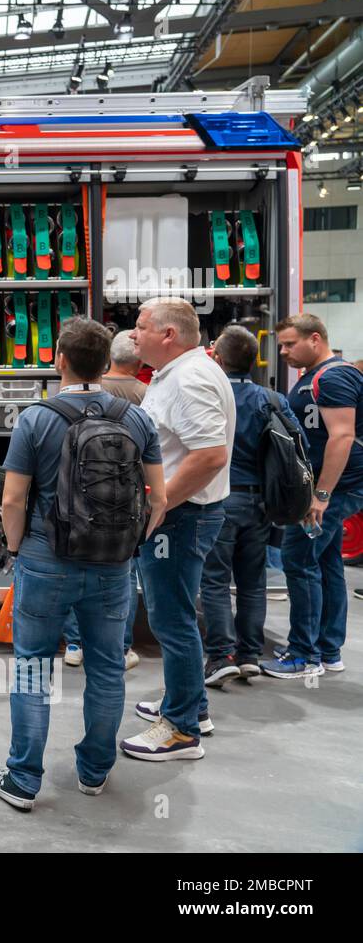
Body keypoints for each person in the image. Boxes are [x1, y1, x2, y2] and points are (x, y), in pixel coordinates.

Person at [0, 318, 165, 811]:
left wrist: (19, 550)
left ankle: (22, 779)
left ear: (59, 358)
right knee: (107, 668)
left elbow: (13, 500)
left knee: (32, 668)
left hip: (46, 559)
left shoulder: (36, 419)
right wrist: (129, 546)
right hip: (113, 565)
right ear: (107, 363)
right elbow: (160, 497)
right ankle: (93, 772)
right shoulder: (136, 418)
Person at [120, 298, 235, 761]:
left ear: (169, 334)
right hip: (185, 516)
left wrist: (161, 502)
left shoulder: (189, 379)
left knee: (172, 620)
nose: (133, 335)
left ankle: (182, 731)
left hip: (182, 519)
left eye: (141, 327)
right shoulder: (181, 373)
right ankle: (192, 706)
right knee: (177, 615)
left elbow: (209, 454)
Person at [199, 326, 307, 685]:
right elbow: (298, 444)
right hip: (260, 502)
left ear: (218, 358)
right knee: (252, 581)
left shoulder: (210, 396)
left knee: (214, 580)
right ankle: (248, 654)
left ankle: (220, 655)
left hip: (219, 499)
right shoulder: (271, 399)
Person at [266, 314, 363, 677]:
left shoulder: (333, 376)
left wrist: (321, 495)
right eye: (281, 345)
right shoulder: (317, 377)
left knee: (299, 561)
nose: (284, 351)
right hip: (335, 487)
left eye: (290, 344)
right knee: (326, 564)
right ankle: (327, 650)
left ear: (316, 339)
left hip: (334, 490)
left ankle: (303, 654)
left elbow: (342, 436)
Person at [62, 328, 148, 671]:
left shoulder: (70, 400)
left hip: (80, 498)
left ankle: (74, 644)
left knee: (71, 564)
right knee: (122, 573)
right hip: (123, 502)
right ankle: (121, 648)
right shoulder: (143, 395)